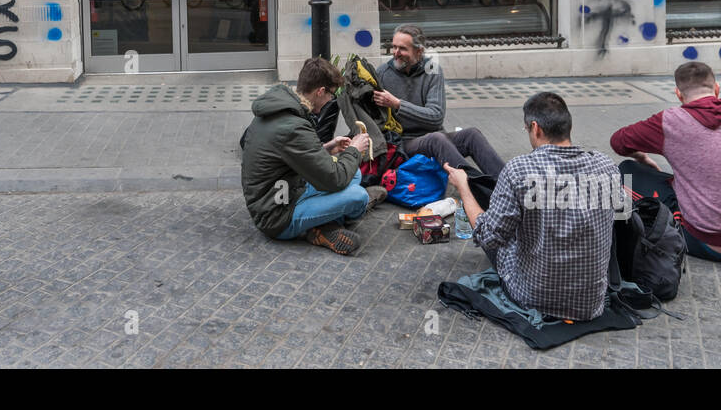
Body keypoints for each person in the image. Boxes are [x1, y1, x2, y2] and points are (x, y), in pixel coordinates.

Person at [444, 92, 621, 322]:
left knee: (495, 228)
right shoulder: (607, 166)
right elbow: (617, 216)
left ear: (535, 128)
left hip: (533, 296)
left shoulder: (519, 169)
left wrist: (463, 187)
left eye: (526, 129)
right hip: (590, 302)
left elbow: (487, 237)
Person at [610, 61, 721, 262]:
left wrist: (640, 156)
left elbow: (618, 141)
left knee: (627, 171)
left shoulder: (670, 120)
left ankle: (626, 231)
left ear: (678, 94)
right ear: (716, 90)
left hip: (709, 243)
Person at [240, 58, 383, 255]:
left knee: (356, 175)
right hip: (277, 216)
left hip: (286, 189)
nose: (331, 101)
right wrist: (355, 150)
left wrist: (327, 148)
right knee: (357, 196)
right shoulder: (293, 126)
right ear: (320, 91)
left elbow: (290, 156)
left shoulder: (281, 109)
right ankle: (324, 224)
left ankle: (322, 224)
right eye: (331, 95)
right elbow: (335, 179)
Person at [373, 24, 505, 178]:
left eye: (402, 48)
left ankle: (508, 183)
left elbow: (435, 117)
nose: (396, 53)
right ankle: (477, 186)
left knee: (471, 135)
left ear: (419, 51)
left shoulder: (432, 69)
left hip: (436, 138)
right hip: (403, 142)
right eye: (394, 47)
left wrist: (397, 104)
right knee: (436, 139)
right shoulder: (382, 73)